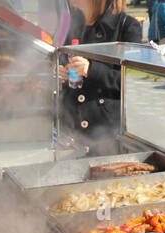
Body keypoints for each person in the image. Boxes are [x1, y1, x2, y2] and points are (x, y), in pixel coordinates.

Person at [59, 0, 145, 154]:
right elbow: (54, 60)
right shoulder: (67, 24)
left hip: (107, 135)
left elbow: (131, 81)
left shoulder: (126, 25)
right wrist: (58, 71)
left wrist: (91, 70)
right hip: (70, 130)